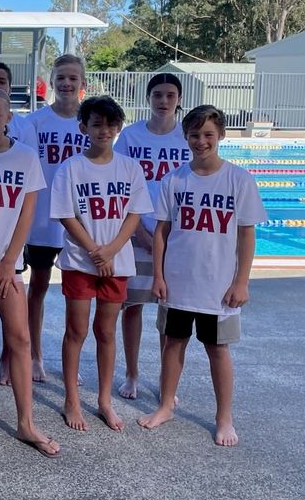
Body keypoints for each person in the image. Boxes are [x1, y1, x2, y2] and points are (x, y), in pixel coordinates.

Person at [139, 105, 265, 447]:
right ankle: (166, 405)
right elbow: (162, 232)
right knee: (172, 343)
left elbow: (246, 234)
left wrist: (242, 281)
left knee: (217, 348)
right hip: (179, 278)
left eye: (208, 134)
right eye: (194, 135)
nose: (201, 141)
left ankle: (224, 417)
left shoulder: (239, 179)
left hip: (219, 284)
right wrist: (159, 276)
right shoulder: (175, 179)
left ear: (221, 136)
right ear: (185, 137)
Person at [0, 89, 60, 457]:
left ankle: (26, 421)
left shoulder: (25, 157)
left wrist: (8, 261)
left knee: (19, 337)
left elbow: (27, 213)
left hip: (7, 257)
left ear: (8, 119)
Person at [51, 95, 152, 433]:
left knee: (106, 332)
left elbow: (134, 214)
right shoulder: (71, 168)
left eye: (110, 124)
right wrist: (96, 250)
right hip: (81, 262)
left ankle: (104, 400)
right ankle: (72, 399)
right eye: (96, 124)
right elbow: (66, 215)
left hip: (117, 262)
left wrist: (111, 251)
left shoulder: (130, 168)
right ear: (84, 128)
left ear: (119, 128)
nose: (104, 130)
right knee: (77, 331)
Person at [114, 73, 190, 399]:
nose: (163, 100)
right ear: (149, 98)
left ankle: (165, 379)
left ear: (178, 99)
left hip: (175, 237)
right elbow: (120, 185)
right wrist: (141, 234)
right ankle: (131, 373)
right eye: (157, 94)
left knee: (169, 311)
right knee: (132, 306)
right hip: (136, 232)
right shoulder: (131, 137)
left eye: (170, 95)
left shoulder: (187, 137)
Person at [16, 54, 89, 382]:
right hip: (42, 219)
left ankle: (71, 361)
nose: (67, 83)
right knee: (39, 287)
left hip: (79, 220)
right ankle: (34, 355)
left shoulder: (90, 123)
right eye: (61, 77)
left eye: (73, 78)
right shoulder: (35, 122)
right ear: (53, 82)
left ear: (82, 84)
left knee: (79, 294)